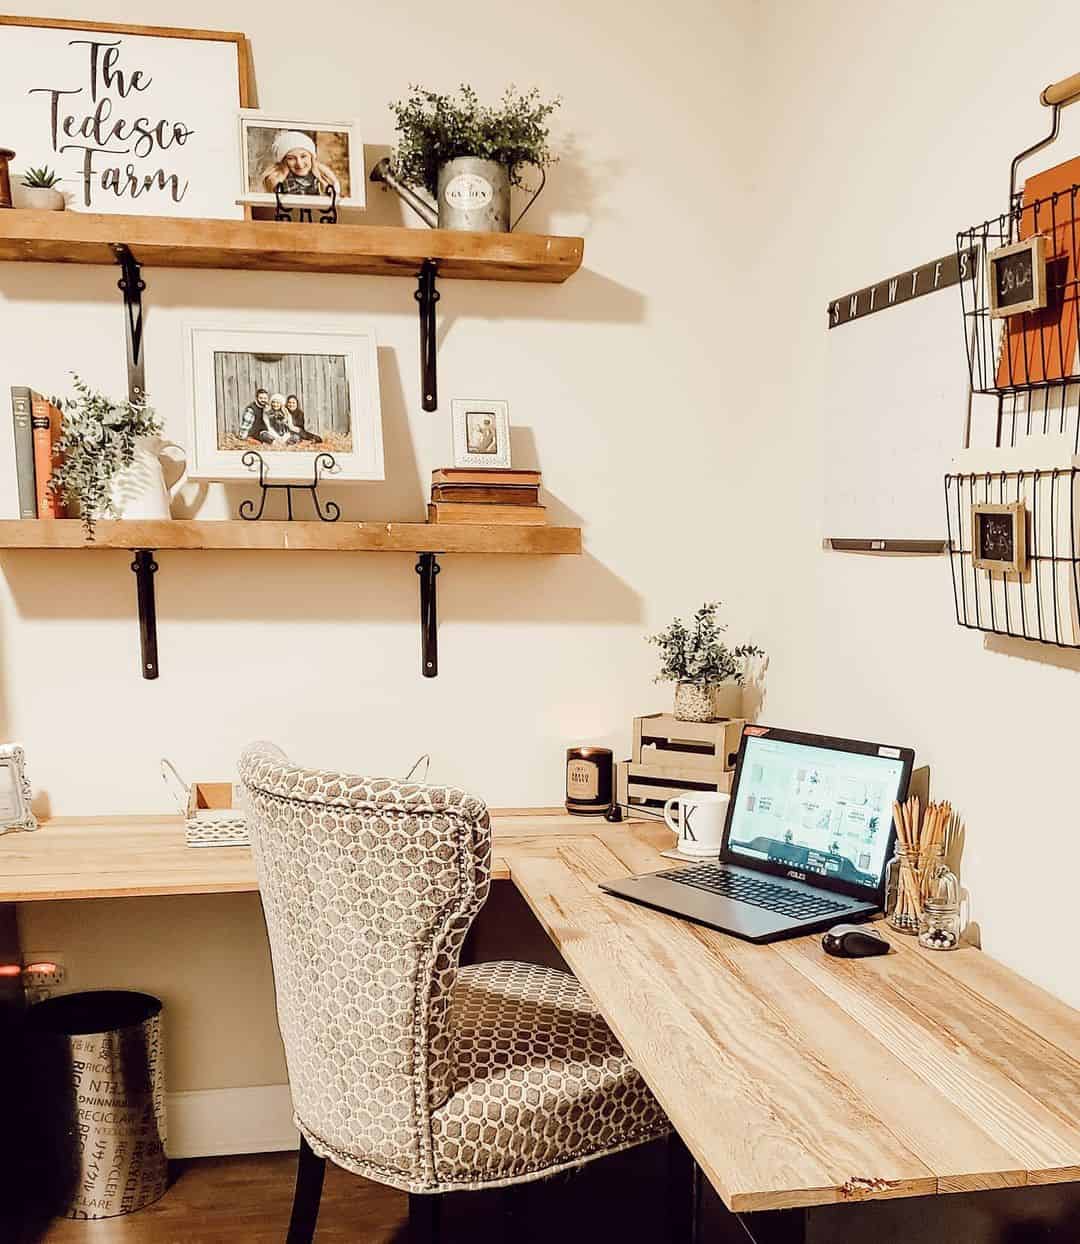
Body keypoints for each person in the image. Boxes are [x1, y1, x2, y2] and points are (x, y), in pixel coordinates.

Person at [260, 131, 341, 198]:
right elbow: (273, 192)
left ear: (311, 157)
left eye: (303, 156)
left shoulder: (320, 177)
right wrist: (283, 173)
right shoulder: (281, 179)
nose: (299, 164)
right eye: (291, 158)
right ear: (283, 161)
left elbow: (334, 191)